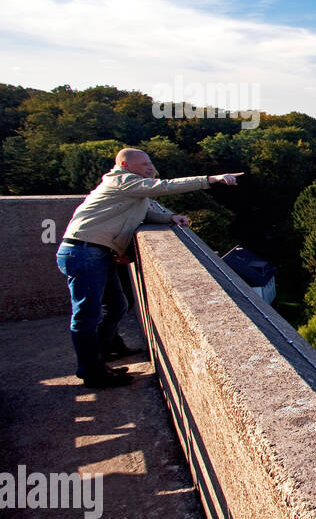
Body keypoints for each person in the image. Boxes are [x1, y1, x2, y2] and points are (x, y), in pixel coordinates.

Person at [56, 148, 243, 388]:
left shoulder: (132, 189)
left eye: (150, 163)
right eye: (144, 164)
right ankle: (91, 372)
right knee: (86, 316)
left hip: (95, 252)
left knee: (117, 305)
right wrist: (211, 179)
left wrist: (169, 218)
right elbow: (163, 186)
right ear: (124, 164)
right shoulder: (122, 180)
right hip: (84, 251)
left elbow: (141, 213)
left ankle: (108, 349)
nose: (149, 167)